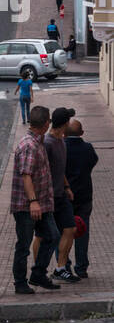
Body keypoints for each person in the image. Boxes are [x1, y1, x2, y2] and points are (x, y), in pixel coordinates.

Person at [10, 104, 61, 293]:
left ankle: (38, 274)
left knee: (52, 236)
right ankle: (20, 282)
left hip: (41, 205)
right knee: (23, 244)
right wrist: (33, 202)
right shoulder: (29, 146)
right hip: (27, 206)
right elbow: (26, 175)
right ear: (46, 123)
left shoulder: (37, 141)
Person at [32, 107, 77, 283]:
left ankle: (60, 267)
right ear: (65, 123)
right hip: (46, 197)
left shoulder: (62, 142)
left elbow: (60, 169)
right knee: (42, 235)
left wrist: (66, 187)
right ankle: (38, 269)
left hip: (61, 195)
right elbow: (42, 171)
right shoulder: (48, 143)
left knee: (70, 229)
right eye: (69, 120)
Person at [65, 118, 98, 280]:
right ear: (82, 133)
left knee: (63, 231)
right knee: (83, 231)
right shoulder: (88, 148)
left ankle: (64, 265)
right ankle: (82, 267)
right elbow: (93, 162)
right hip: (84, 195)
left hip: (66, 196)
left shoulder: (61, 147)